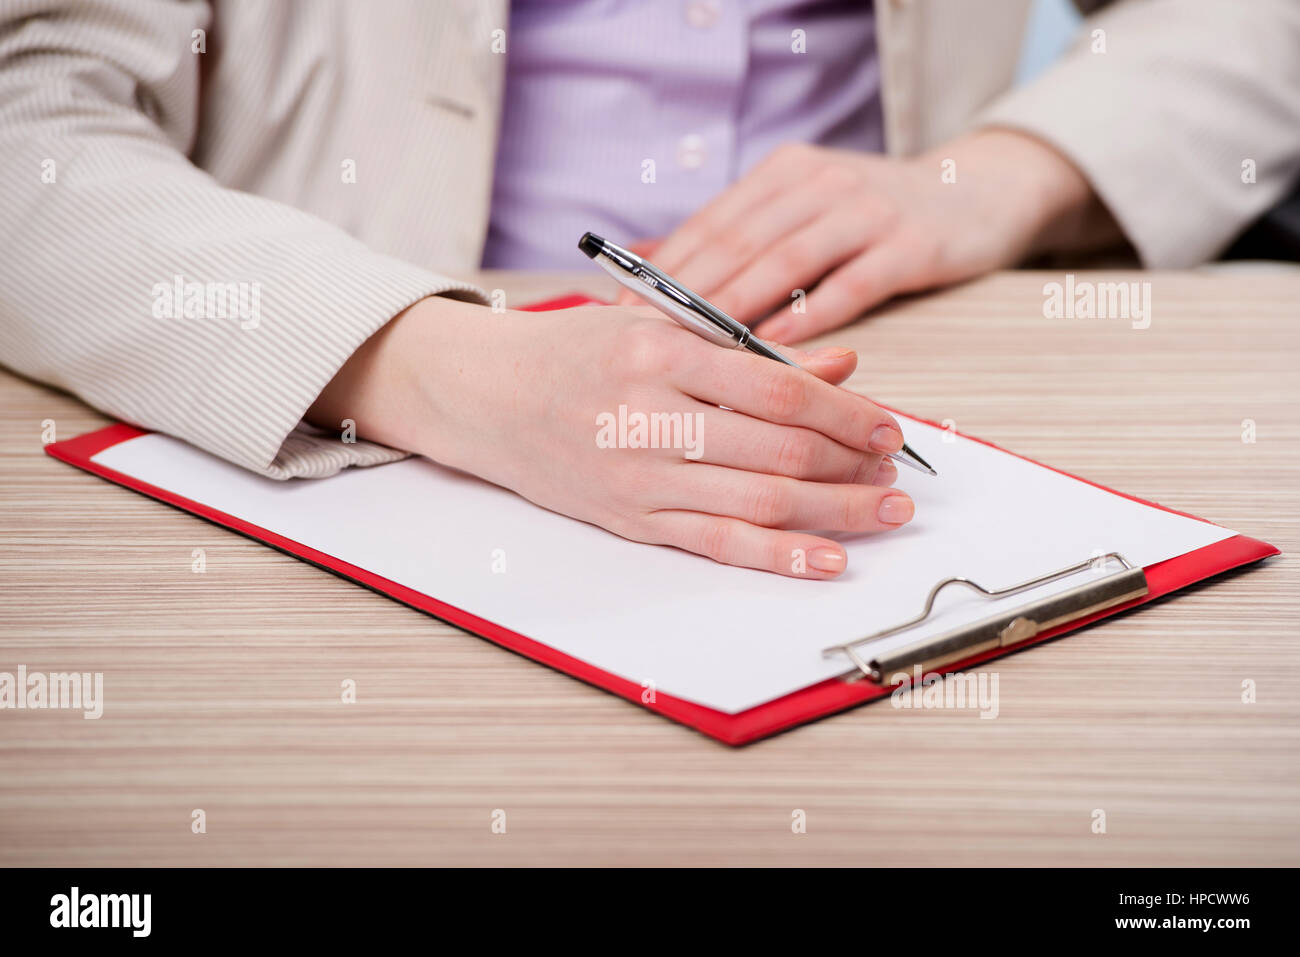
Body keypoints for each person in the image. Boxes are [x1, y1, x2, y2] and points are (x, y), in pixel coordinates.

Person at [2, 0, 1297, 578]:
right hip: (326, 419)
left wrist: (1007, 171)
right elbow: (28, 123)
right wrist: (415, 361)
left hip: (930, 337)